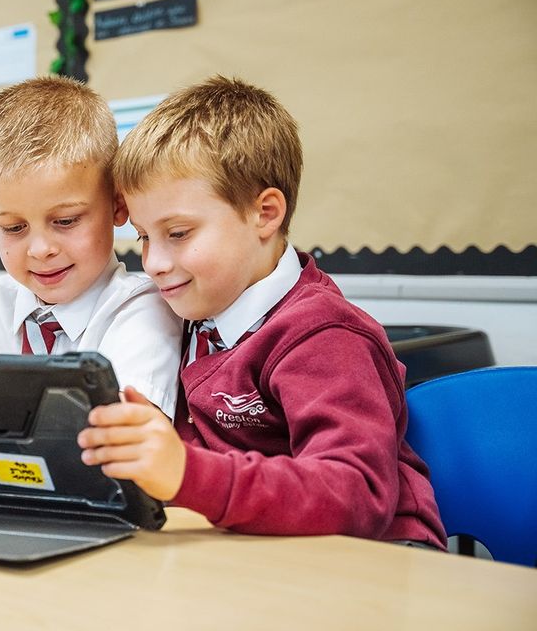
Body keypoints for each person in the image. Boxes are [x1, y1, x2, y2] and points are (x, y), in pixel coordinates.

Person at [77, 75, 447, 548]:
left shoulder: (325, 337)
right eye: (145, 238)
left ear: (265, 214)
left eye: (179, 233)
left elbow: (357, 495)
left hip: (379, 564)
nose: (154, 263)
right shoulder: (193, 314)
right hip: (254, 556)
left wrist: (187, 473)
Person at [0, 76, 182, 480]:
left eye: (65, 221)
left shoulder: (143, 309)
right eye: (13, 227)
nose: (40, 249)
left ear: (118, 206)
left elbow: (116, 465)